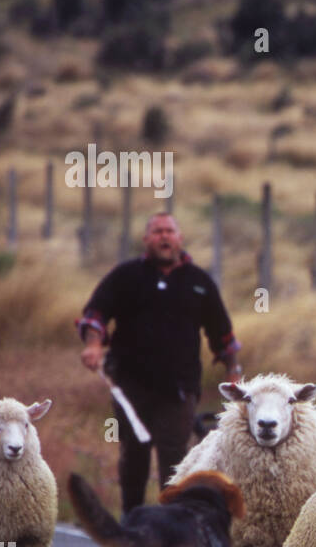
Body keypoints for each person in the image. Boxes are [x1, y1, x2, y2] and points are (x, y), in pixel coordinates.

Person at [77, 212, 241, 514]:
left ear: (179, 238)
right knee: (134, 454)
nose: (164, 237)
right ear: (146, 239)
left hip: (180, 388)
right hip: (129, 385)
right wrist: (93, 345)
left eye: (169, 231)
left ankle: (172, 527)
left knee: (176, 459)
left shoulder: (199, 283)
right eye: (157, 232)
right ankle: (133, 522)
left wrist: (233, 372)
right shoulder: (126, 276)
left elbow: (223, 335)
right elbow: (95, 314)